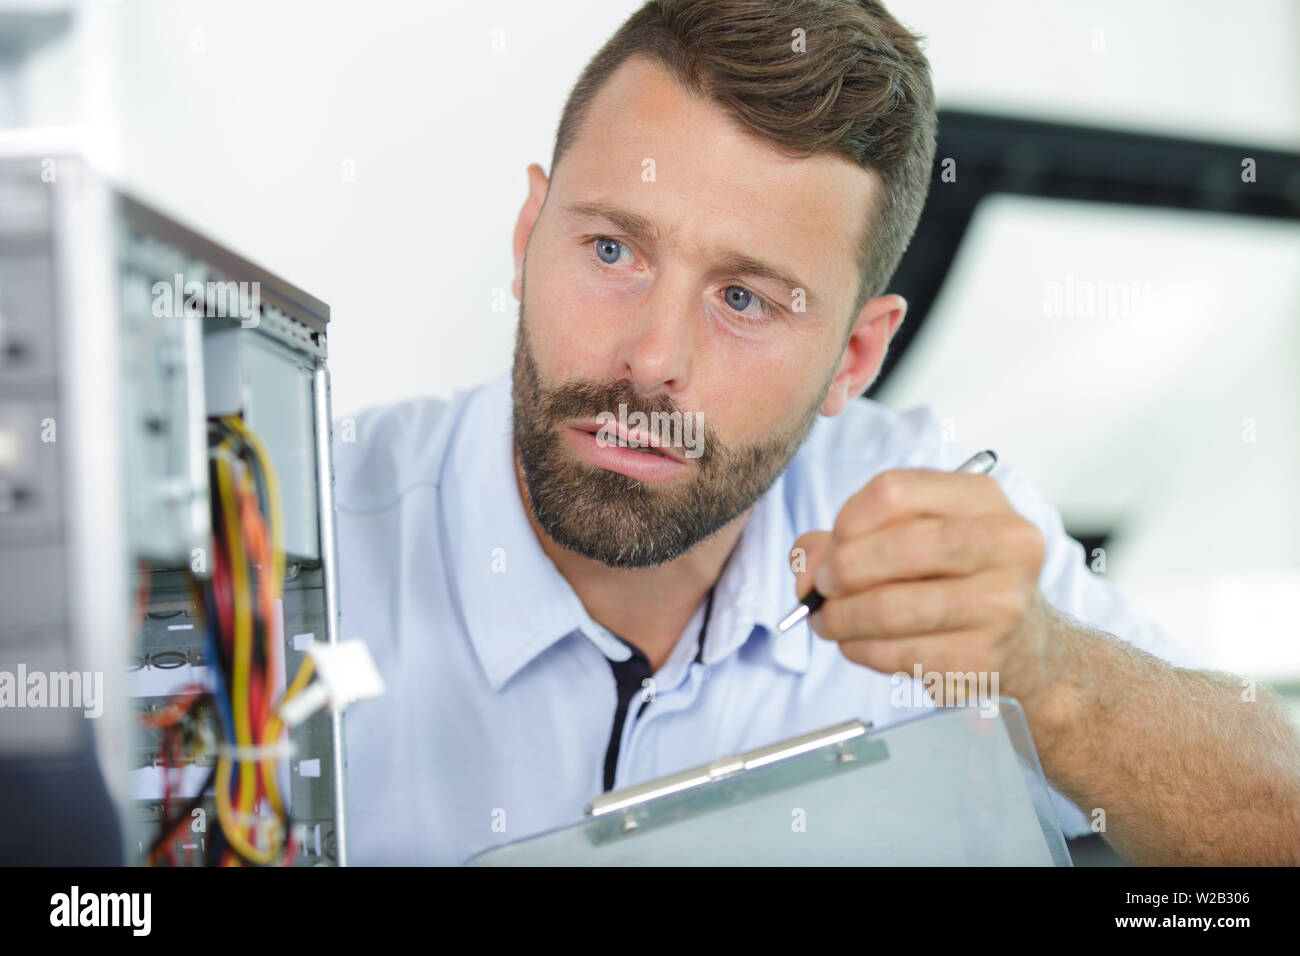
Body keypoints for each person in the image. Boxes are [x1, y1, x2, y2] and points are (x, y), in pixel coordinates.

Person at [333, 0, 1300, 865]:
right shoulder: (302, 539)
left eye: (746, 298)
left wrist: (1054, 678)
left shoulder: (922, 523)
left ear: (854, 358)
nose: (651, 356)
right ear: (527, 235)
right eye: (612, 248)